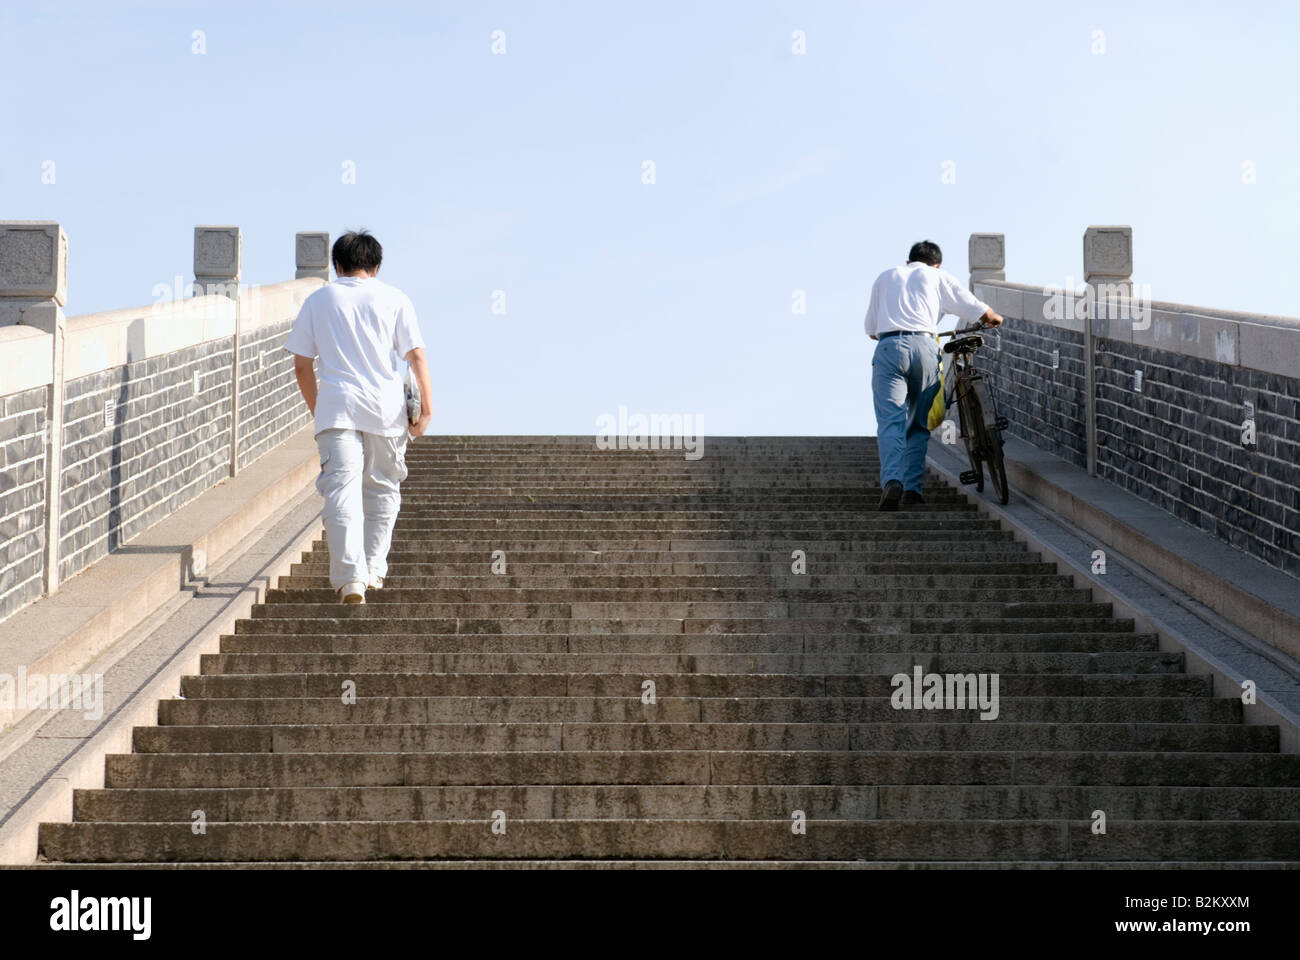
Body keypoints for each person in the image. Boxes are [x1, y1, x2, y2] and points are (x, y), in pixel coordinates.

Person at [284, 230, 433, 603]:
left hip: (337, 407)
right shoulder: (395, 298)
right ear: (376, 266)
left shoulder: (319, 300)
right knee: (383, 486)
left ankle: (350, 579)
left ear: (337, 265)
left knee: (341, 490)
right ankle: (373, 569)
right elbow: (415, 357)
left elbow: (302, 366)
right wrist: (426, 409)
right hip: (386, 409)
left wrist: (322, 411)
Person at [864, 240, 1003, 511]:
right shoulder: (937, 276)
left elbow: (871, 329)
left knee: (891, 421)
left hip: (889, 348)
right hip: (925, 348)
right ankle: (913, 491)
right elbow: (975, 308)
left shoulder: (885, 277)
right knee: (918, 424)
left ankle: (892, 480)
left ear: (909, 261)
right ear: (936, 263)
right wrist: (992, 317)